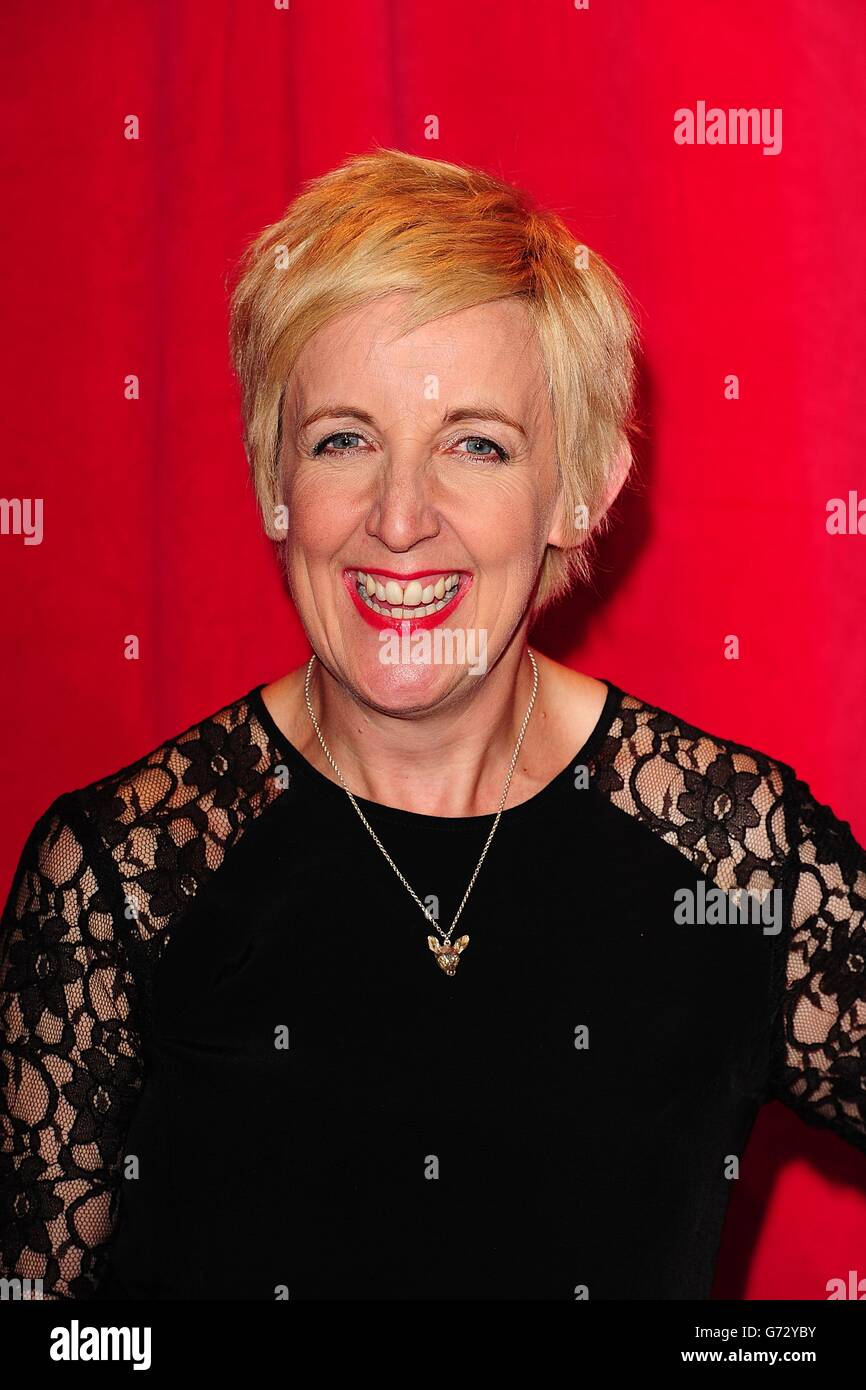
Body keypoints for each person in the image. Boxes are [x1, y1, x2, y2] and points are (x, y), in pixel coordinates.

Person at [1, 148, 864, 1302]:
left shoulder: (736, 853)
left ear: (583, 484)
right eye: (342, 439)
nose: (398, 520)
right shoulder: (118, 875)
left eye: (475, 443)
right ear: (274, 477)